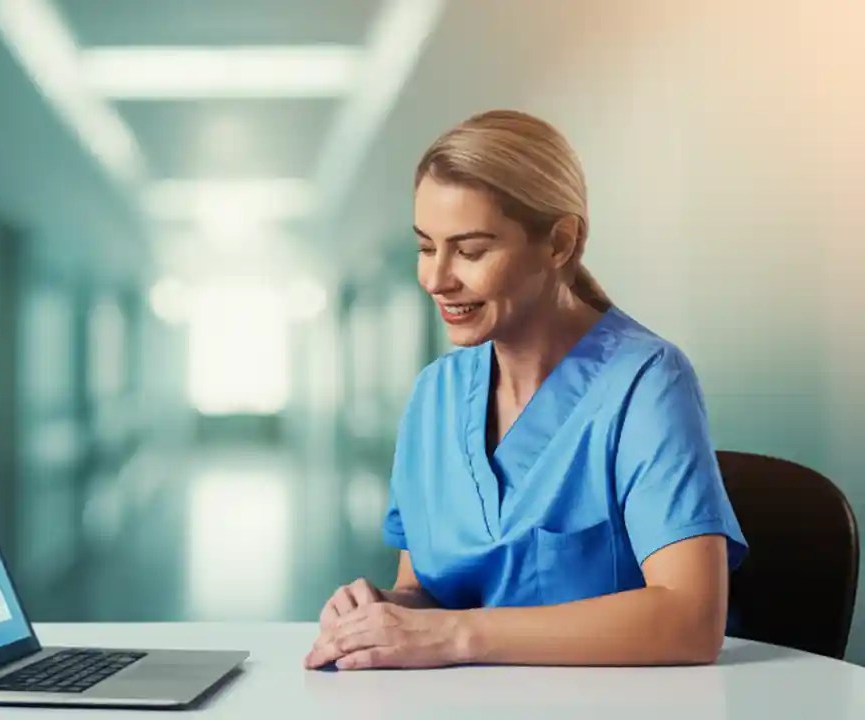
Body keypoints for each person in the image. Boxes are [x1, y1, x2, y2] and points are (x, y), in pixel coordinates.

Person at [305, 110, 747, 671]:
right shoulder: (435, 396)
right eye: (425, 247)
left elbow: (689, 623)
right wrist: (387, 612)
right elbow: (429, 592)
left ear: (561, 242)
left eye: (469, 251)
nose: (437, 279)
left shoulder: (646, 383)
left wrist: (456, 636)